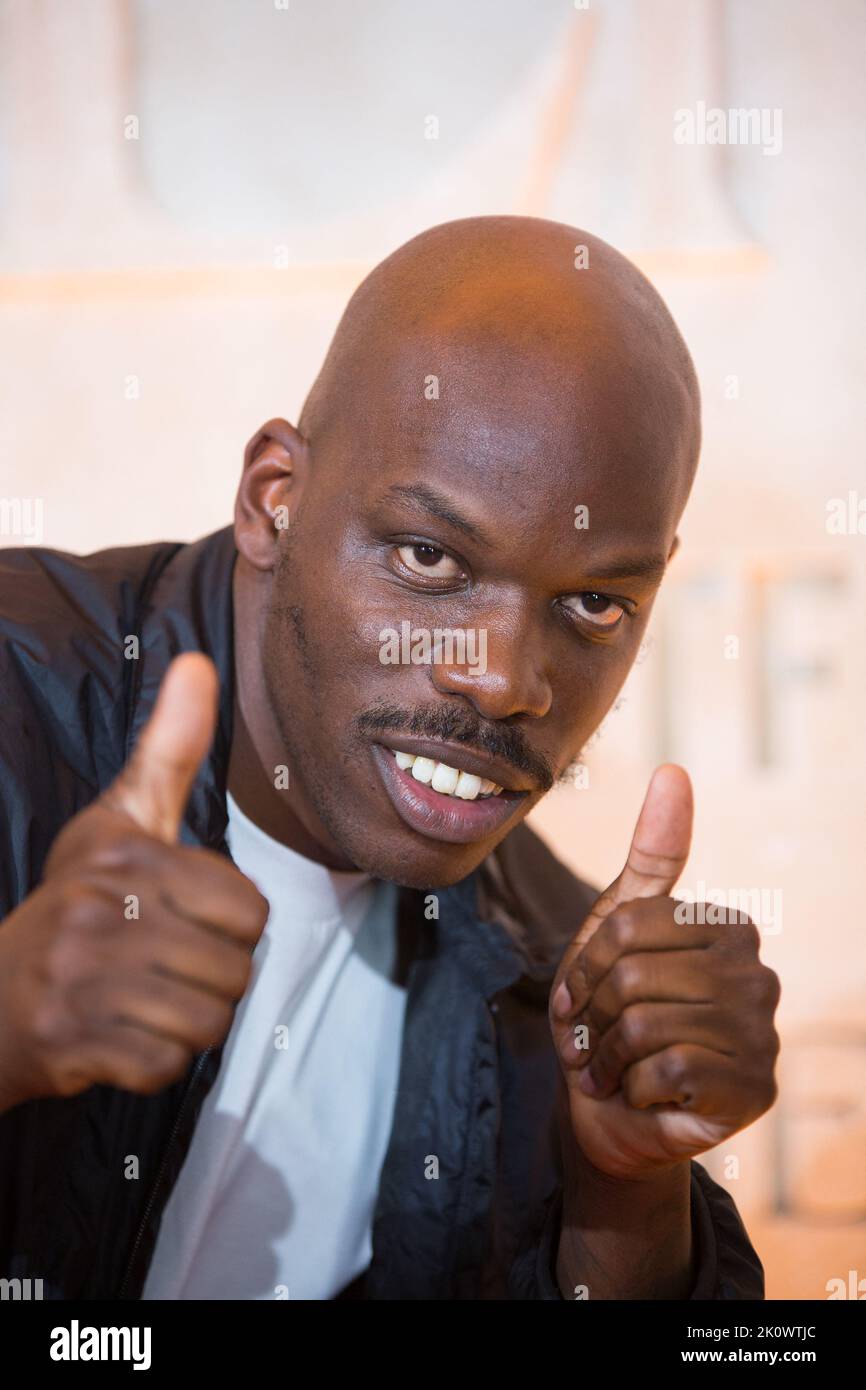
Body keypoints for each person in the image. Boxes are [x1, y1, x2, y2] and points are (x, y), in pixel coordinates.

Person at [0, 216, 780, 1301]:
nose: (504, 679)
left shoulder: (549, 975)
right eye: (428, 556)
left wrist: (627, 1185)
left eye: (593, 601)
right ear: (275, 496)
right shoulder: (18, 703)